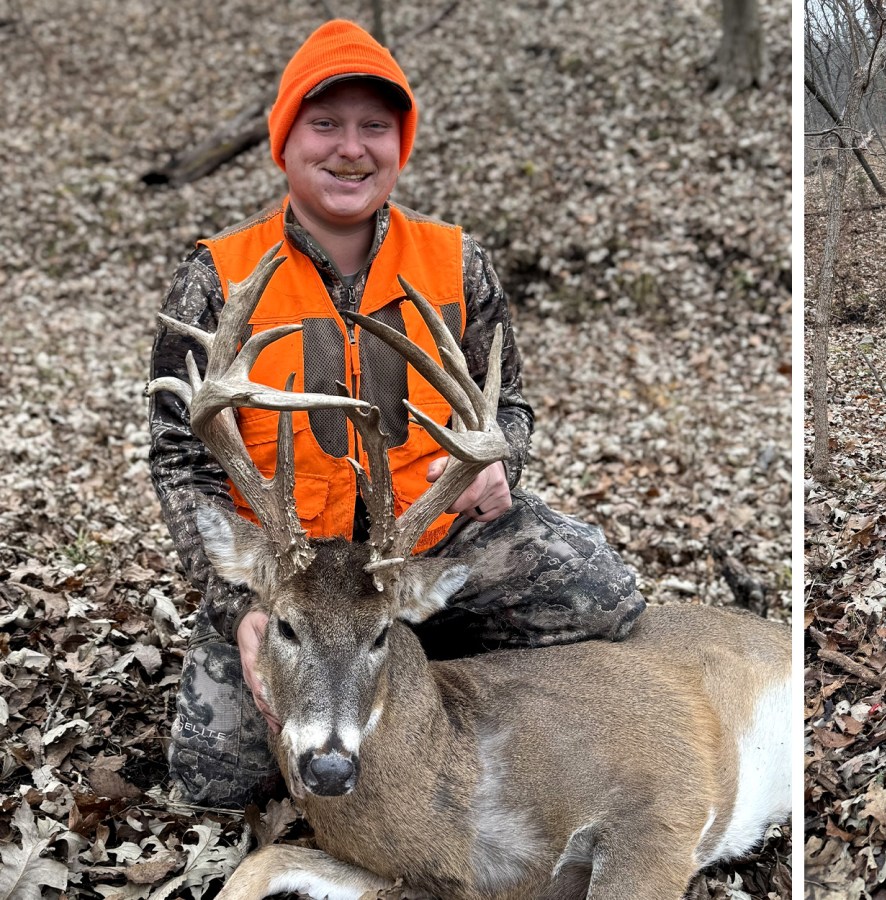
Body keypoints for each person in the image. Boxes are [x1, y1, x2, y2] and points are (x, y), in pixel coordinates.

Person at [149, 20, 645, 808]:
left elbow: (508, 404)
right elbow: (179, 458)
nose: (352, 149)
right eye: (326, 125)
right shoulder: (216, 278)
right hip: (288, 569)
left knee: (603, 596)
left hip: (420, 543)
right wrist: (243, 606)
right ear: (284, 141)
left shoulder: (456, 261)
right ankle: (358, 653)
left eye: (375, 127)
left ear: (400, 143)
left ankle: (413, 649)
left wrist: (496, 461)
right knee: (216, 783)